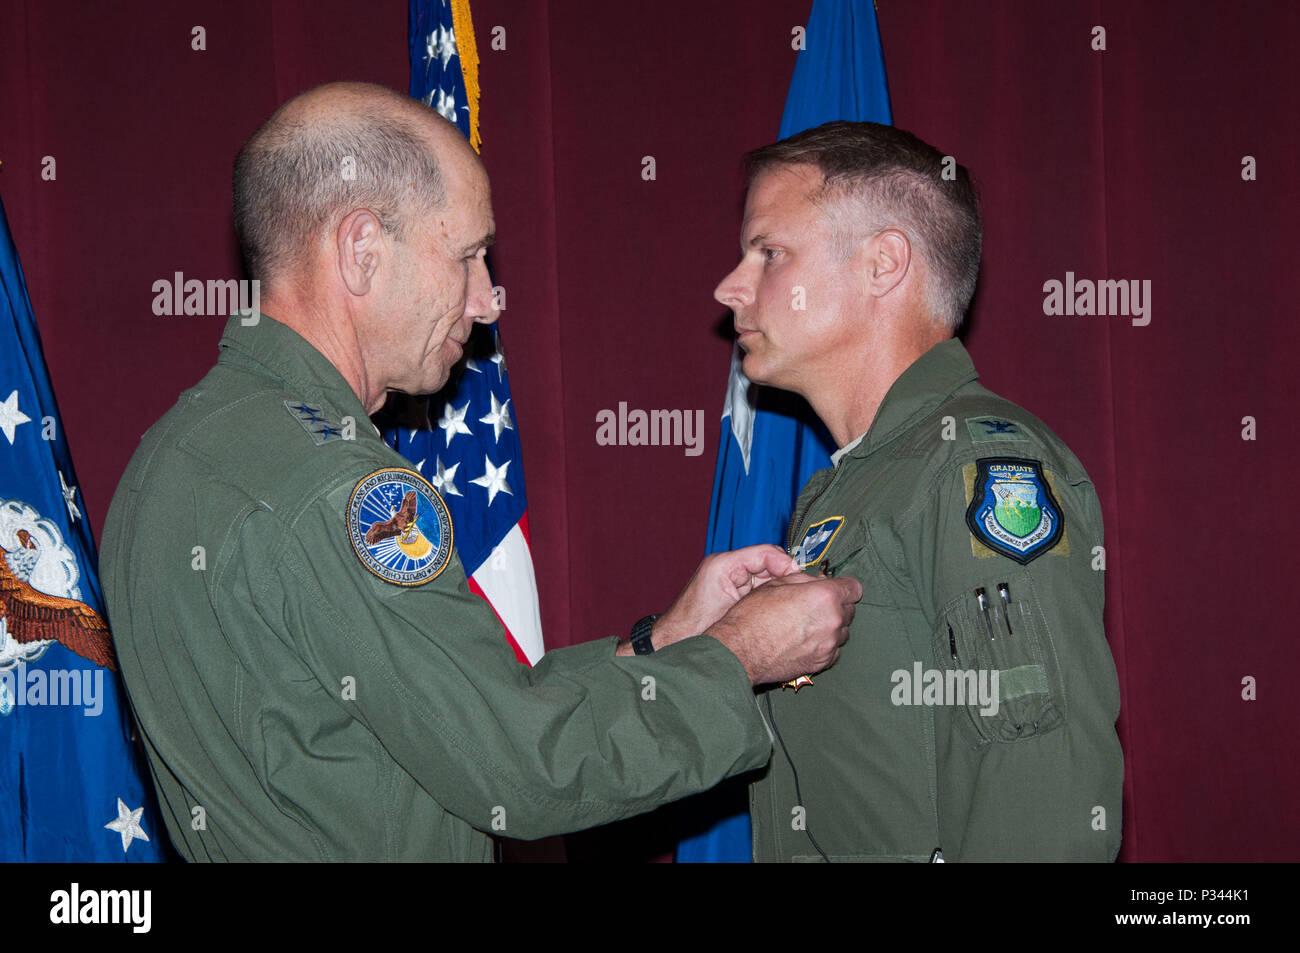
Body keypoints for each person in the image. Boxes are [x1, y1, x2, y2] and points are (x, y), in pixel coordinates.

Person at [98, 82, 861, 862]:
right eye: (466, 255)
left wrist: (664, 641)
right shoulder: (344, 491)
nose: (489, 299)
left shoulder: (171, 456)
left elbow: (445, 717)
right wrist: (739, 657)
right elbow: (526, 765)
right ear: (360, 252)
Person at [712, 120, 1123, 862]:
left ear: (883, 264)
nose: (730, 286)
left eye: (769, 252)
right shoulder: (849, 489)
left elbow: (1037, 806)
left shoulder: (980, 467)